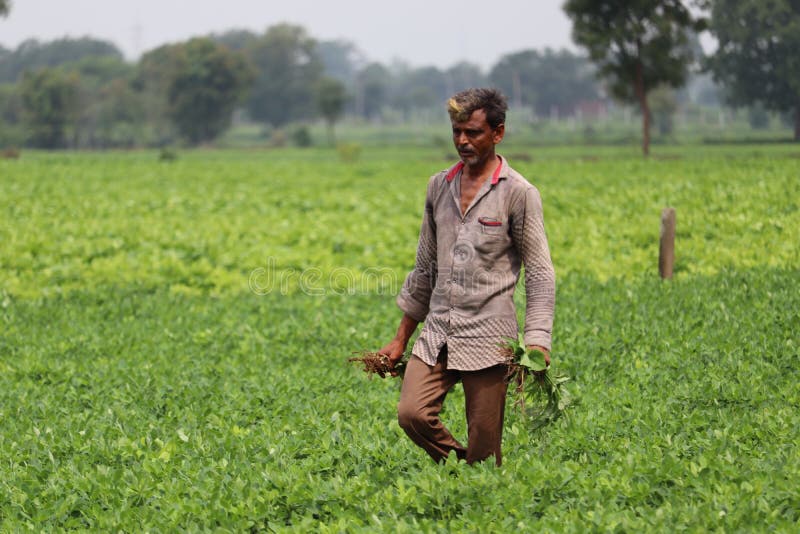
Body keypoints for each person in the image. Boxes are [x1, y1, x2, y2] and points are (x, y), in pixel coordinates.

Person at [379, 88, 555, 466]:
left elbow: (540, 273)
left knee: (485, 445)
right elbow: (425, 265)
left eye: (473, 132)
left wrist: (538, 340)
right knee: (412, 414)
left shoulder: (519, 194)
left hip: (490, 335)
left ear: (498, 133)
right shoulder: (438, 187)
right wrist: (400, 339)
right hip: (439, 329)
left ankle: (478, 487)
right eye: (457, 131)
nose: (462, 140)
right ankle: (463, 470)